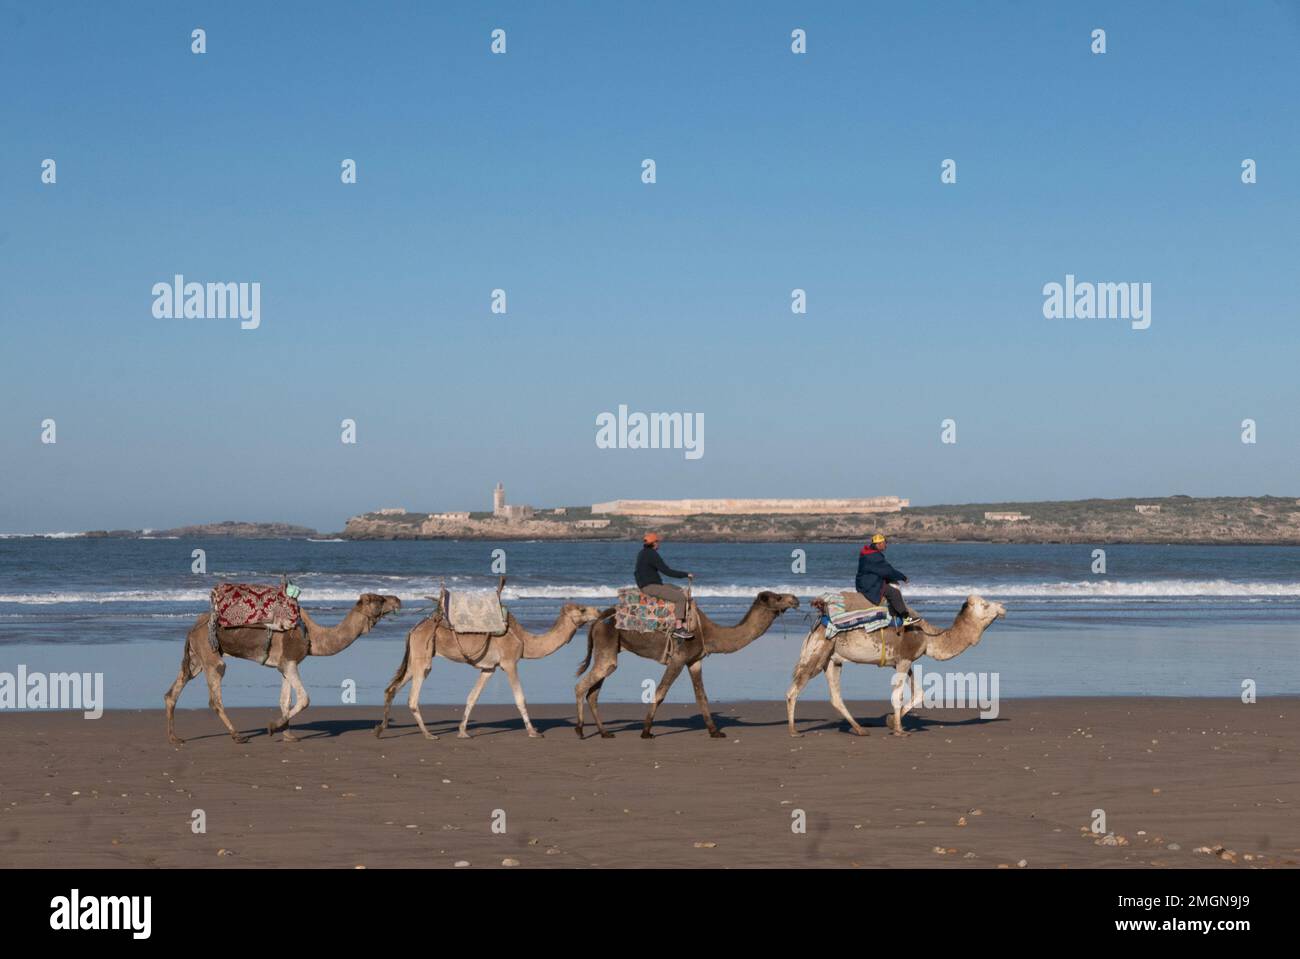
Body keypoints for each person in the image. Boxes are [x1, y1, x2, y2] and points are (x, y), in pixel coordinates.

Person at [635, 532, 694, 639]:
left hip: (649, 585)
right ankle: (679, 628)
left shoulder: (642, 553)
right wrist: (686, 574)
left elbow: (636, 573)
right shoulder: (652, 554)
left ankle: (678, 617)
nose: (659, 544)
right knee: (680, 598)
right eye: (657, 542)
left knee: (678, 589)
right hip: (651, 587)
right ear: (654, 543)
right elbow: (667, 571)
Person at [856, 533, 912, 627]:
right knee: (894, 592)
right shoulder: (875, 556)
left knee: (889, 587)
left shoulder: (867, 553)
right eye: (884, 543)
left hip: (862, 582)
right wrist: (903, 577)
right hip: (869, 585)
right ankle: (905, 617)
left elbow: (881, 570)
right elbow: (888, 571)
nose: (886, 545)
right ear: (878, 544)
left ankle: (893, 614)